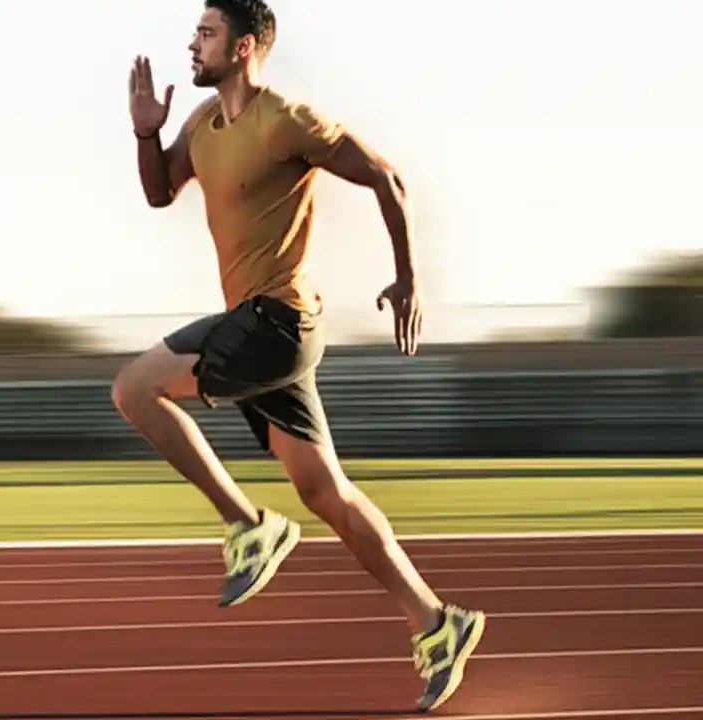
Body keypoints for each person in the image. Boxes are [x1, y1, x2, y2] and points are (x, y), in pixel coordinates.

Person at [114, 0, 485, 712]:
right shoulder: (200, 126)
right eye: (194, 32)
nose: (192, 44)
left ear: (245, 45)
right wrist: (143, 134)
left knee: (135, 390)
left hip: (275, 321)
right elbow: (161, 193)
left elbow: (387, 178)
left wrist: (408, 278)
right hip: (256, 329)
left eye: (207, 33)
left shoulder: (287, 120)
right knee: (327, 494)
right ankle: (438, 622)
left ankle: (251, 526)